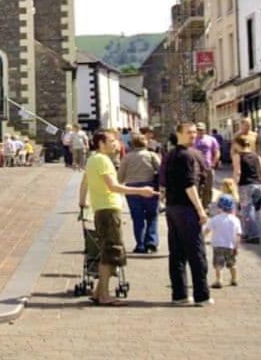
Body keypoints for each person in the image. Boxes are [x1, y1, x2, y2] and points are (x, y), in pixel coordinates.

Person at [77, 129, 157, 306]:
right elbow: (113, 187)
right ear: (101, 144)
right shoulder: (103, 161)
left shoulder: (93, 160)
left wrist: (82, 203)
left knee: (109, 250)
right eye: (112, 141)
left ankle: (99, 292)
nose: (116, 144)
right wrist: (141, 191)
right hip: (108, 209)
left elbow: (86, 183)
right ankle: (104, 295)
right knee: (111, 251)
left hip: (103, 209)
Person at [165, 120, 212, 305]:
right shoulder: (185, 156)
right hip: (185, 207)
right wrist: (200, 209)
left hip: (173, 206)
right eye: (188, 132)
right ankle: (202, 294)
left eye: (194, 132)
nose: (193, 135)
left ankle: (180, 294)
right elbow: (189, 184)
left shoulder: (171, 155)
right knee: (196, 251)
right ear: (178, 134)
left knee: (177, 252)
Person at [118, 132, 161, 253]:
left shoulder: (127, 157)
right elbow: (161, 170)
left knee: (137, 217)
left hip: (132, 189)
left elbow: (120, 177)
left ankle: (140, 244)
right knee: (152, 215)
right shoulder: (151, 155)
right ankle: (151, 241)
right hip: (149, 186)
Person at [234, 132, 261, 243]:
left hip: (245, 185)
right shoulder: (256, 156)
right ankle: (247, 233)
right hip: (257, 185)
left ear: (239, 144)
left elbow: (238, 172)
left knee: (247, 211)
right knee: (251, 210)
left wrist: (234, 185)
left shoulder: (238, 156)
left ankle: (253, 235)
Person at [206, 194, 243, 289]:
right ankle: (234, 279)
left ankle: (219, 280)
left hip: (217, 245)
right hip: (230, 246)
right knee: (232, 263)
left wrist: (201, 238)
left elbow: (207, 230)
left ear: (219, 207)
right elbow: (238, 234)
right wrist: (237, 246)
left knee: (218, 264)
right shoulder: (235, 220)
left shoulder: (215, 219)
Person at [193, 122, 220, 207]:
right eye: (198, 129)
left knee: (208, 187)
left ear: (205, 130)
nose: (199, 131)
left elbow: (216, 151)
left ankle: (206, 205)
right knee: (196, 187)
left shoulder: (211, 139)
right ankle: (197, 206)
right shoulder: (192, 139)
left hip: (208, 167)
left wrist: (214, 163)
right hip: (195, 168)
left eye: (201, 130)